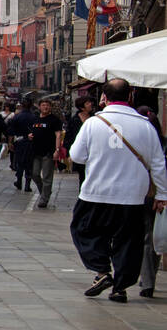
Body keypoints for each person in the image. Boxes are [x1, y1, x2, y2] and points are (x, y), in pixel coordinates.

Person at [69, 78, 167, 302]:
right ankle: (120, 288)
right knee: (128, 241)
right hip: (132, 195)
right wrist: (162, 194)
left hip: (97, 191)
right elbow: (158, 163)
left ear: (104, 97)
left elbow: (77, 156)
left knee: (84, 230)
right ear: (130, 96)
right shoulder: (145, 125)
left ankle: (102, 271)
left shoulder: (93, 123)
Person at [138, 107, 167, 298]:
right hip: (158, 196)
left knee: (148, 239)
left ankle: (147, 280)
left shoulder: (138, 143)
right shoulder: (163, 145)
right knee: (154, 238)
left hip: (144, 195)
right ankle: (148, 277)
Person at [26, 98, 65, 208]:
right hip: (35, 151)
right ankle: (44, 191)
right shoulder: (35, 119)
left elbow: (58, 135)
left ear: (50, 107)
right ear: (39, 107)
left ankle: (44, 199)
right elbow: (31, 132)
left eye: (47, 105)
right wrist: (29, 136)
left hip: (48, 152)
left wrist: (57, 150)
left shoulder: (54, 120)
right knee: (35, 174)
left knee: (47, 176)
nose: (45, 107)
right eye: (43, 105)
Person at [6, 98, 35, 192]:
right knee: (29, 164)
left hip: (19, 141)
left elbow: (11, 131)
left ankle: (19, 181)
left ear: (22, 105)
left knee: (20, 163)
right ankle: (27, 185)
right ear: (31, 105)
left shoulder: (17, 117)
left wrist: (10, 143)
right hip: (31, 142)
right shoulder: (34, 117)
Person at [66, 95, 96, 186]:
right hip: (81, 150)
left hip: (93, 151)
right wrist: (69, 153)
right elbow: (69, 137)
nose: (90, 104)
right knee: (82, 176)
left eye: (90, 102)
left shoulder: (95, 118)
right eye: (87, 103)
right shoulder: (74, 120)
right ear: (81, 106)